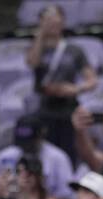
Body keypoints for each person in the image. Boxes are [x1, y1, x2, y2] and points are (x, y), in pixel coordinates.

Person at [26, 4, 94, 159]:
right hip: (44, 108)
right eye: (48, 21)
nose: (52, 24)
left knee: (69, 152)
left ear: (63, 22)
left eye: (56, 20)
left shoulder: (74, 50)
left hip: (68, 108)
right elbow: (32, 62)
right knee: (45, 153)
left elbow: (92, 80)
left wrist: (76, 89)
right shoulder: (36, 48)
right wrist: (40, 34)